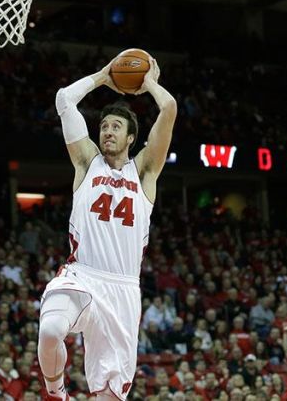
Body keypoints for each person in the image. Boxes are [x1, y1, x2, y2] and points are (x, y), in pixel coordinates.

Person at [37, 53, 176, 401]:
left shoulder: (144, 172)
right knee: (52, 328)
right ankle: (57, 393)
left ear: (131, 138)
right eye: (104, 126)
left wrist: (150, 85)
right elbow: (64, 99)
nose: (107, 131)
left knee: (110, 397)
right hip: (82, 274)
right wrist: (103, 76)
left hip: (123, 290)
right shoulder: (86, 162)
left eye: (116, 127)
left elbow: (170, 108)